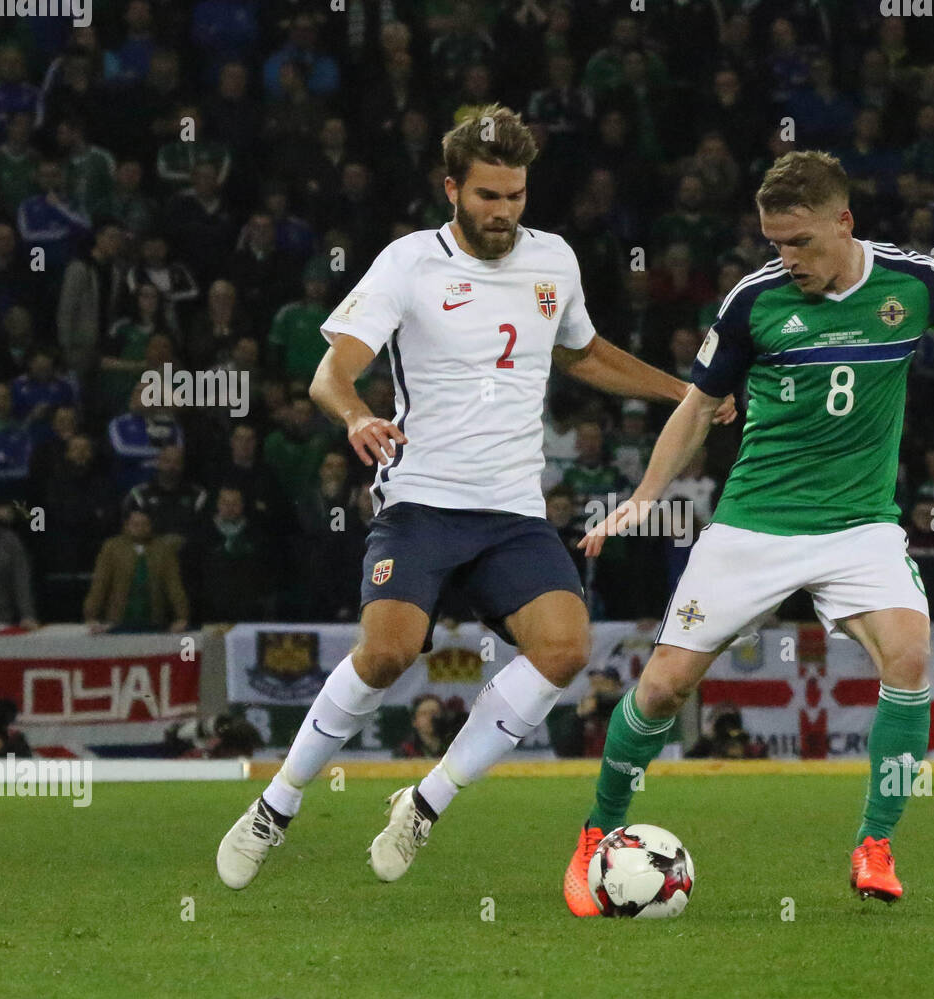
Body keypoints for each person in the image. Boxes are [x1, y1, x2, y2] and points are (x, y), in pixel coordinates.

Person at [561, 150, 934, 915]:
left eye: (801, 241)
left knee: (911, 655)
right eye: (775, 242)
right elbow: (695, 408)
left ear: (843, 223)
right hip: (755, 522)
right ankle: (597, 834)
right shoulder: (753, 303)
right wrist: (648, 496)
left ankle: (875, 844)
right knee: (663, 686)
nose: (788, 258)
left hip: (860, 526)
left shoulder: (915, 284)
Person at [216, 105, 734, 891]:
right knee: (387, 652)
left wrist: (685, 392)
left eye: (516, 196)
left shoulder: (554, 261)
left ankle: (426, 801)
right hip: (421, 501)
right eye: (489, 196)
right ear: (452, 188)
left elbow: (585, 353)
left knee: (564, 648)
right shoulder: (407, 264)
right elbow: (331, 371)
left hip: (513, 511)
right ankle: (277, 804)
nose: (504, 212)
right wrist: (356, 414)